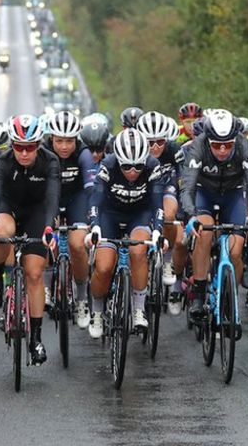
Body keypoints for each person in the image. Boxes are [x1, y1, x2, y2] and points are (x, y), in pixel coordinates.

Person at [0, 115, 59, 364]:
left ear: (39, 145)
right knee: (2, 231)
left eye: (30, 147)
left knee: (34, 274)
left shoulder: (50, 161)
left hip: (37, 212)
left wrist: (49, 227)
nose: (24, 153)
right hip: (9, 207)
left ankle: (36, 338)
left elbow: (53, 199)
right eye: (19, 147)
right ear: (12, 144)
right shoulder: (3, 162)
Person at [180, 109, 248, 323]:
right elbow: (188, 187)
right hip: (204, 194)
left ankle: (230, 294)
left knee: (236, 251)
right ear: (208, 140)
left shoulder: (243, 146)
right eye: (216, 145)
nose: (222, 150)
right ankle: (199, 293)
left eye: (227, 145)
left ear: (235, 140)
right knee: (204, 232)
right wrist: (191, 216)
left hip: (233, 194)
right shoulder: (198, 146)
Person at [85, 129, 166, 338]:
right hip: (109, 215)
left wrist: (158, 231)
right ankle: (97, 311)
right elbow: (96, 199)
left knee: (138, 251)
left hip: (139, 215)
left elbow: (158, 203)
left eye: (138, 166)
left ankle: (139, 309)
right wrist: (95, 226)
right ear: (118, 161)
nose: (132, 171)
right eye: (126, 166)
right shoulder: (108, 164)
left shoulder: (153, 166)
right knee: (104, 267)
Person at [45, 110, 95, 328]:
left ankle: (82, 298)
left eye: (69, 141)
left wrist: (93, 215)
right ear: (51, 139)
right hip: (51, 198)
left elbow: (91, 189)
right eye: (59, 141)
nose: (64, 146)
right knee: (46, 238)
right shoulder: (43, 151)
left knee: (77, 244)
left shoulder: (84, 154)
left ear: (76, 139)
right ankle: (46, 286)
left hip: (77, 199)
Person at [136, 111, 187, 314]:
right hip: (141, 189)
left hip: (167, 187)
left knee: (168, 215)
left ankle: (167, 261)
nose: (155, 147)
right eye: (150, 142)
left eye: (160, 142)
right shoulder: (133, 148)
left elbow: (184, 180)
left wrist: (185, 210)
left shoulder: (174, 150)